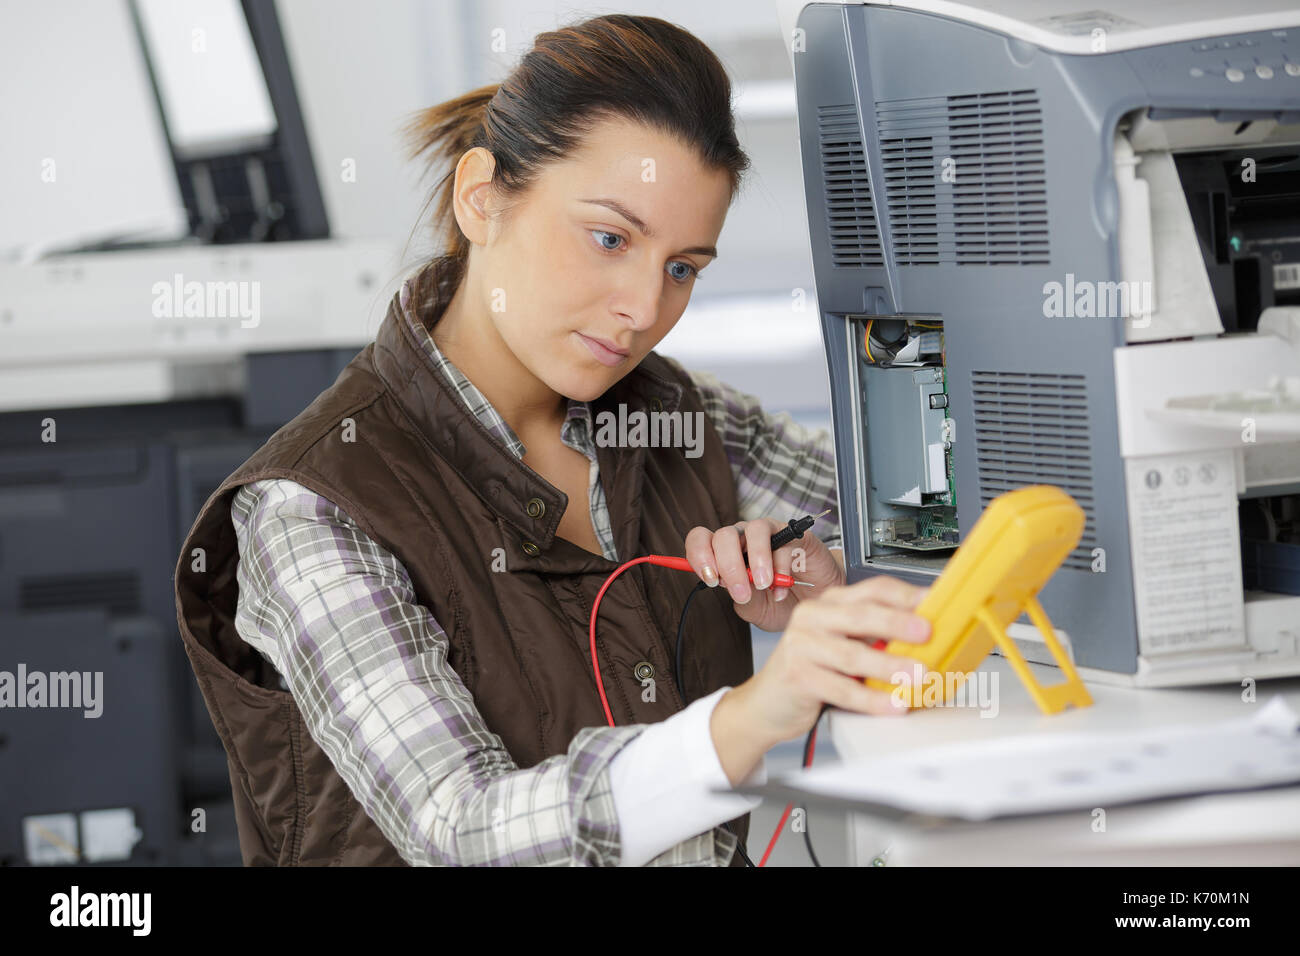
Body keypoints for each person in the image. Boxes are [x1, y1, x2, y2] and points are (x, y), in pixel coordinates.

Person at [174, 13, 931, 868]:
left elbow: (929, 536)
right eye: (610, 238)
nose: (645, 309)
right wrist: (753, 716)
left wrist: (841, 587)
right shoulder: (314, 507)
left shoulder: (684, 417)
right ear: (482, 198)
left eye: (683, 267)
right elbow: (460, 830)